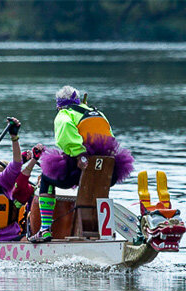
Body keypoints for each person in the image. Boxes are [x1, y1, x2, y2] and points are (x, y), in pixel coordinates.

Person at [31, 85, 133, 243]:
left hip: (80, 168)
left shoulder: (64, 114)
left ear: (59, 105)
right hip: (108, 170)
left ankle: (45, 229)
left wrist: (79, 155)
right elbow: (111, 138)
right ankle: (98, 229)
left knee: (46, 177)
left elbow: (65, 136)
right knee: (94, 181)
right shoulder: (98, 113)